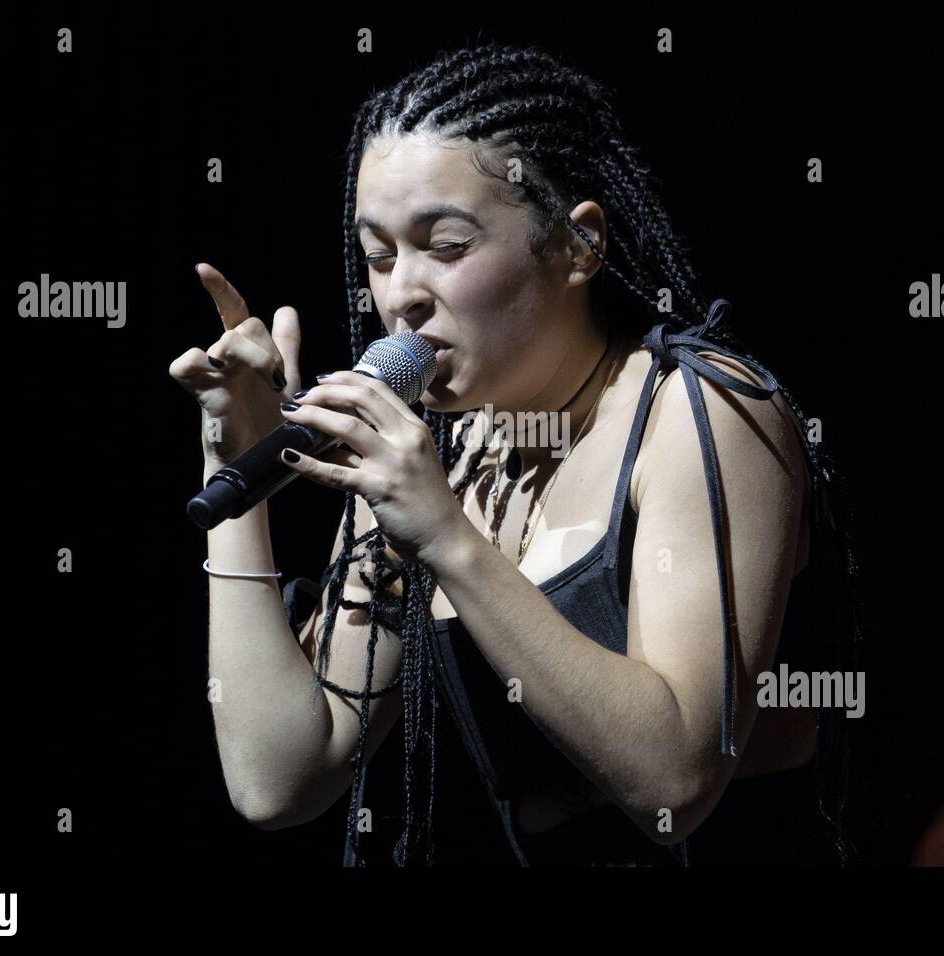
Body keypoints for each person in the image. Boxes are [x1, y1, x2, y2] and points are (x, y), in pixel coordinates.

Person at [170, 42, 872, 866]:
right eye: (381, 255)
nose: (401, 295)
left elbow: (674, 786)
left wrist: (447, 537)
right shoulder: (429, 449)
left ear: (575, 246)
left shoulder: (697, 410)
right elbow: (278, 780)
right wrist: (236, 472)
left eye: (448, 245)